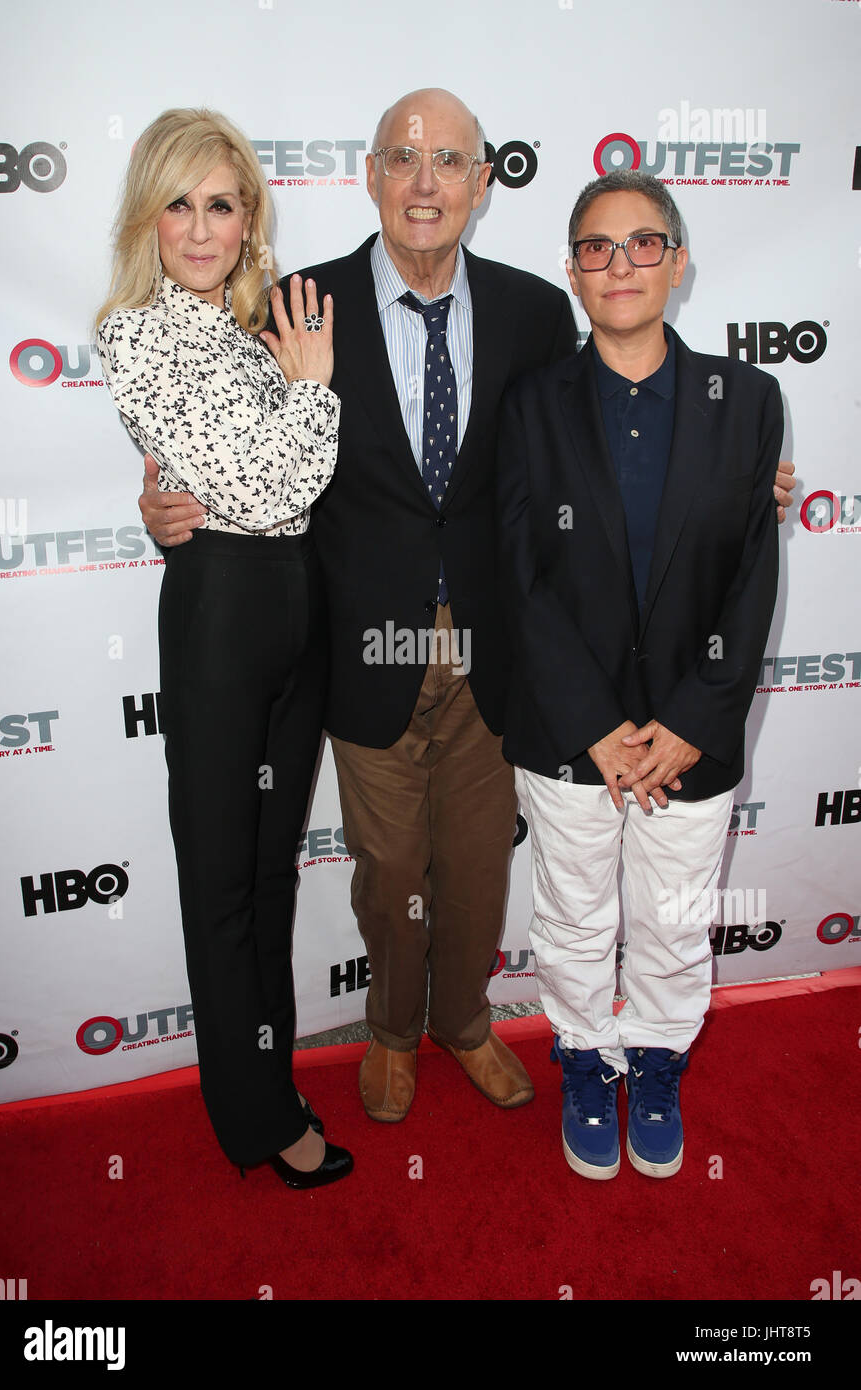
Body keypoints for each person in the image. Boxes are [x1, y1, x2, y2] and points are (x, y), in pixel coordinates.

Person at [137, 90, 796, 1126]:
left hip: (504, 650)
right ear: (368, 175)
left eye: (449, 160)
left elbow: (604, 423)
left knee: (483, 864)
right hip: (360, 645)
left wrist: (739, 476)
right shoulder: (299, 307)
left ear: (483, 183)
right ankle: (393, 1030)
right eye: (403, 158)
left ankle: (465, 1021)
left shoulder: (538, 312)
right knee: (390, 868)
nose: (426, 182)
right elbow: (238, 453)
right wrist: (163, 498)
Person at [496, 169, 782, 1180]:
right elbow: (518, 574)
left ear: (678, 260)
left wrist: (693, 720)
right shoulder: (527, 404)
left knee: (669, 919)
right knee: (572, 914)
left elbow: (751, 578)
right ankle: (583, 1056)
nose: (619, 264)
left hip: (686, 738)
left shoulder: (745, 400)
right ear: (571, 271)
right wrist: (595, 725)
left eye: (642, 242)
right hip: (569, 733)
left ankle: (654, 1058)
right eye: (594, 247)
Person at [96, 108, 352, 1188]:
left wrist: (293, 388)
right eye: (179, 203)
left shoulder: (261, 326)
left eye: (221, 203)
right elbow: (258, 489)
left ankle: (272, 1076)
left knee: (269, 870)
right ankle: (252, 1117)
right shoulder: (136, 331)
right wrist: (308, 390)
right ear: (148, 217)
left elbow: (300, 492)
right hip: (221, 611)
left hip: (300, 603)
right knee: (221, 880)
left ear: (248, 220)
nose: (200, 228)